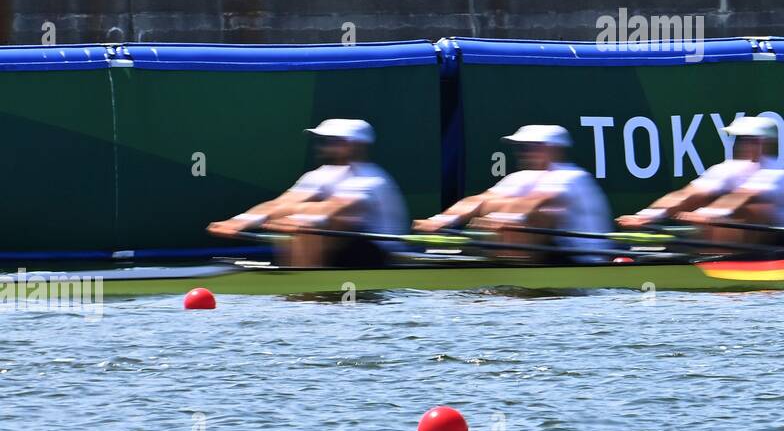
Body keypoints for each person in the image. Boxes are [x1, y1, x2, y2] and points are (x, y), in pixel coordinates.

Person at [207, 118, 408, 268]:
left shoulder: (370, 178)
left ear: (354, 145)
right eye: (322, 141)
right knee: (290, 212)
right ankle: (298, 280)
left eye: (331, 141)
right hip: (341, 250)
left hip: (379, 254)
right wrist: (239, 221)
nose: (323, 146)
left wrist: (301, 220)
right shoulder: (320, 175)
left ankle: (305, 283)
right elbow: (280, 203)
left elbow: (334, 207)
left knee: (322, 219)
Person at [412, 124, 611, 264]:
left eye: (528, 147)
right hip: (549, 253)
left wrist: (505, 220)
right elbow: (481, 200)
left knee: (542, 213)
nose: (522, 153)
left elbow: (539, 200)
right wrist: (441, 220)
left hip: (583, 258)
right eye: (520, 148)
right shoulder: (522, 177)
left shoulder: (571, 176)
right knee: (499, 209)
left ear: (552, 150)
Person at [624, 115, 784, 249]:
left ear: (762, 143)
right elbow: (689, 193)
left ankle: (715, 258)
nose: (739, 144)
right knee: (702, 197)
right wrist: (646, 216)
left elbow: (744, 195)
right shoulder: (730, 167)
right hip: (755, 242)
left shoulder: (780, 171)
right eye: (737, 139)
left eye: (744, 139)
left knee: (756, 208)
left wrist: (707, 215)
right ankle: (701, 257)